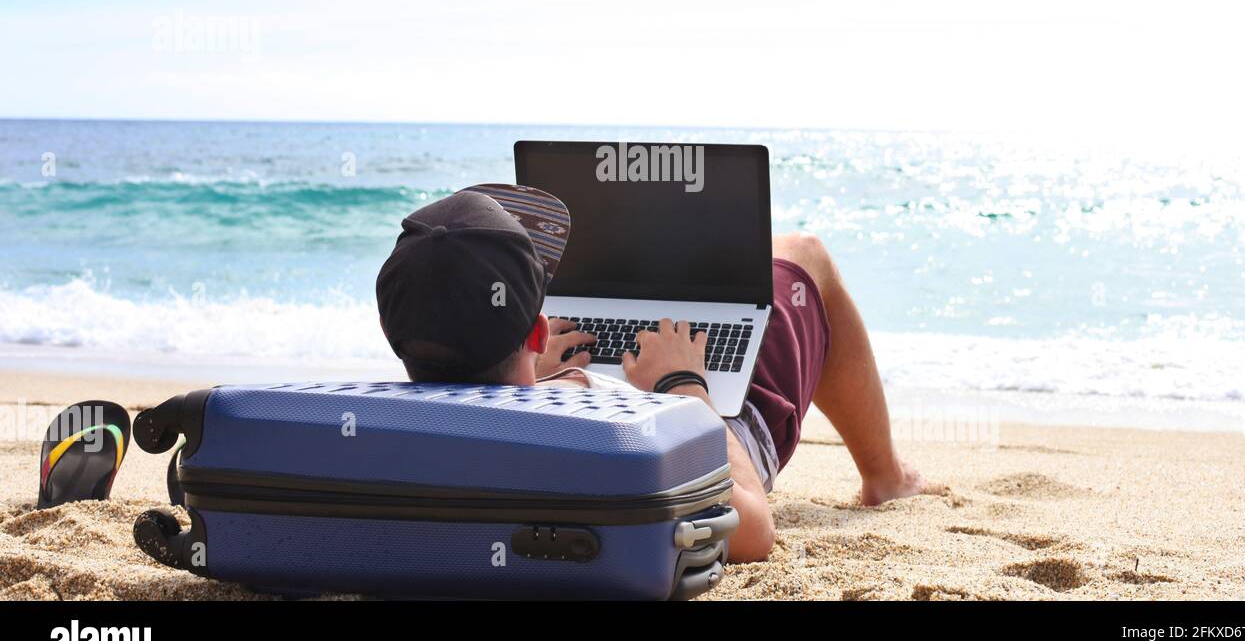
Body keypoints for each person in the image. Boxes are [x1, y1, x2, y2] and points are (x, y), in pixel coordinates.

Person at [376, 184, 939, 563]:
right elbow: (753, 529)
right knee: (803, 253)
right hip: (689, 432)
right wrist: (682, 390)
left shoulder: (388, 447)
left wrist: (535, 377)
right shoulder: (604, 427)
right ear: (540, 334)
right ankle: (885, 478)